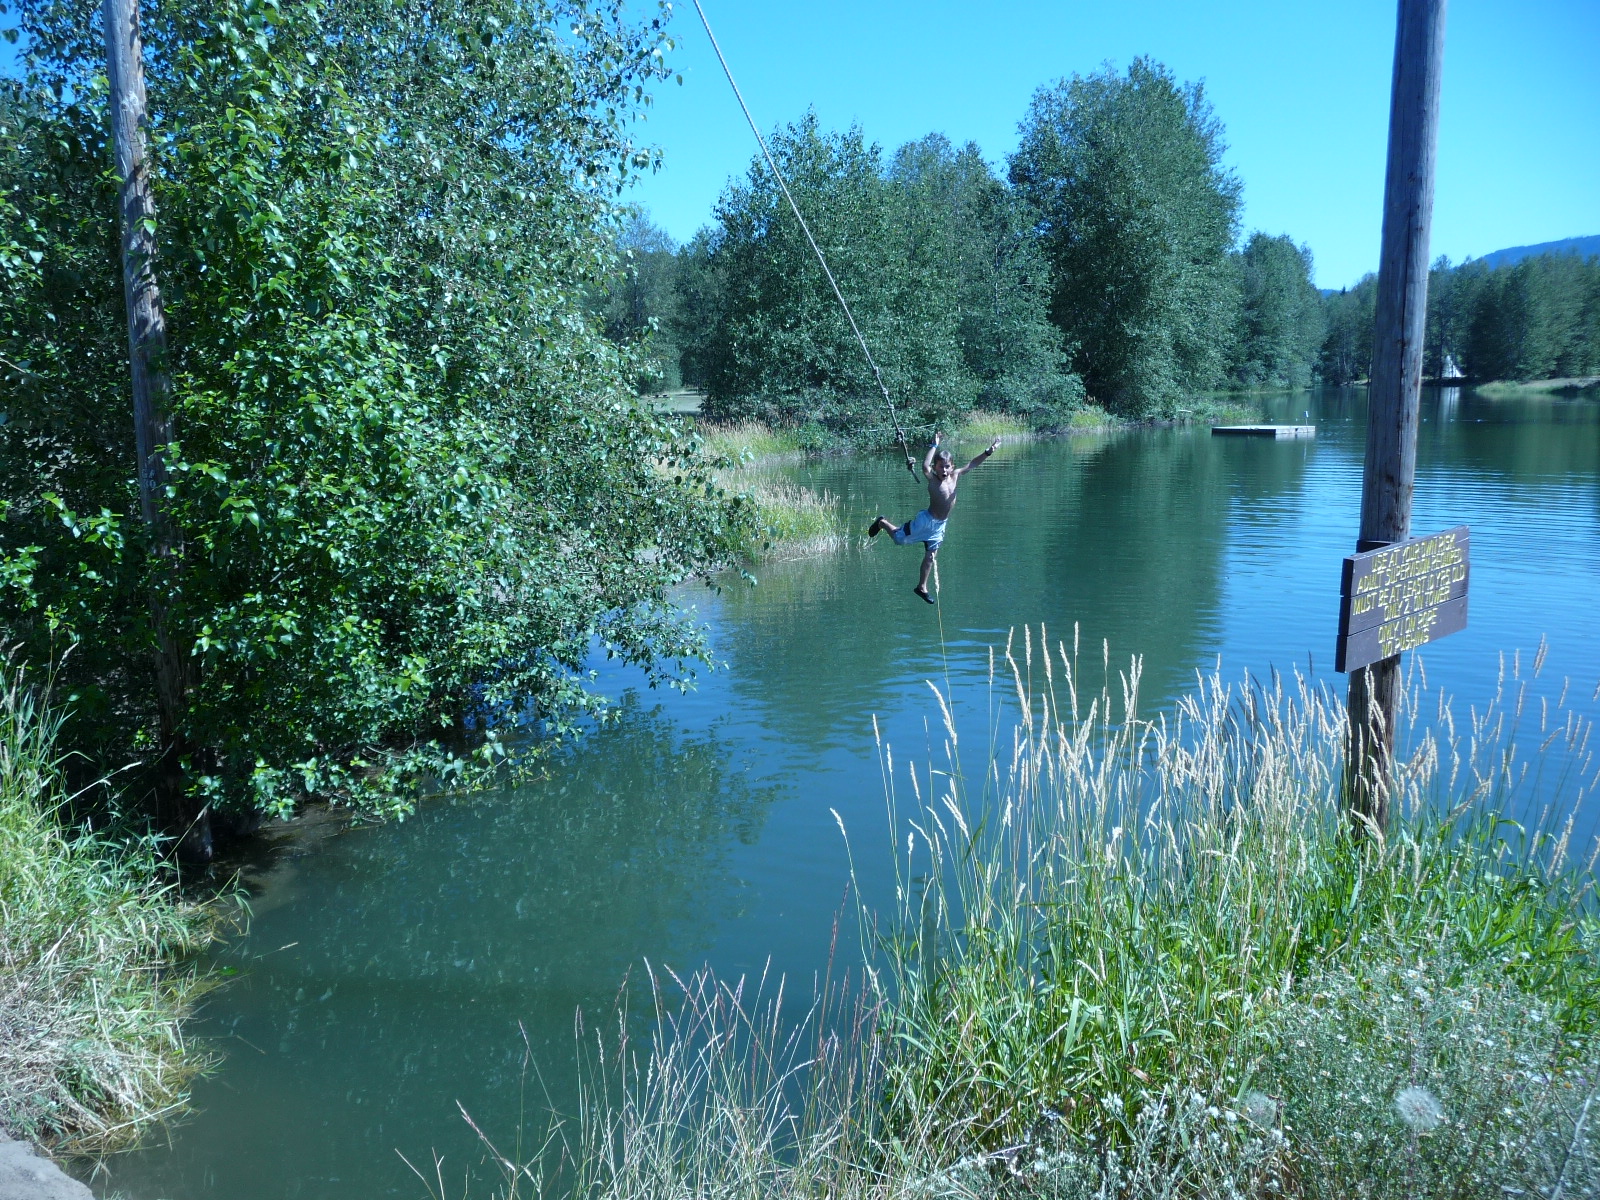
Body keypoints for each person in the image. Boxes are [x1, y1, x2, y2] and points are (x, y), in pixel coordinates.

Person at [868, 432, 1001, 604]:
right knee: (899, 540)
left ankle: (922, 587)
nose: (944, 470)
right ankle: (882, 523)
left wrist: (989, 451)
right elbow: (924, 465)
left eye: (947, 466)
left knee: (930, 557)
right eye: (940, 467)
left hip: (940, 526)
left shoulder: (956, 476)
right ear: (935, 467)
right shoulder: (932, 479)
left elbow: (973, 463)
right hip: (926, 521)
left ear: (952, 466)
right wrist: (934, 445)